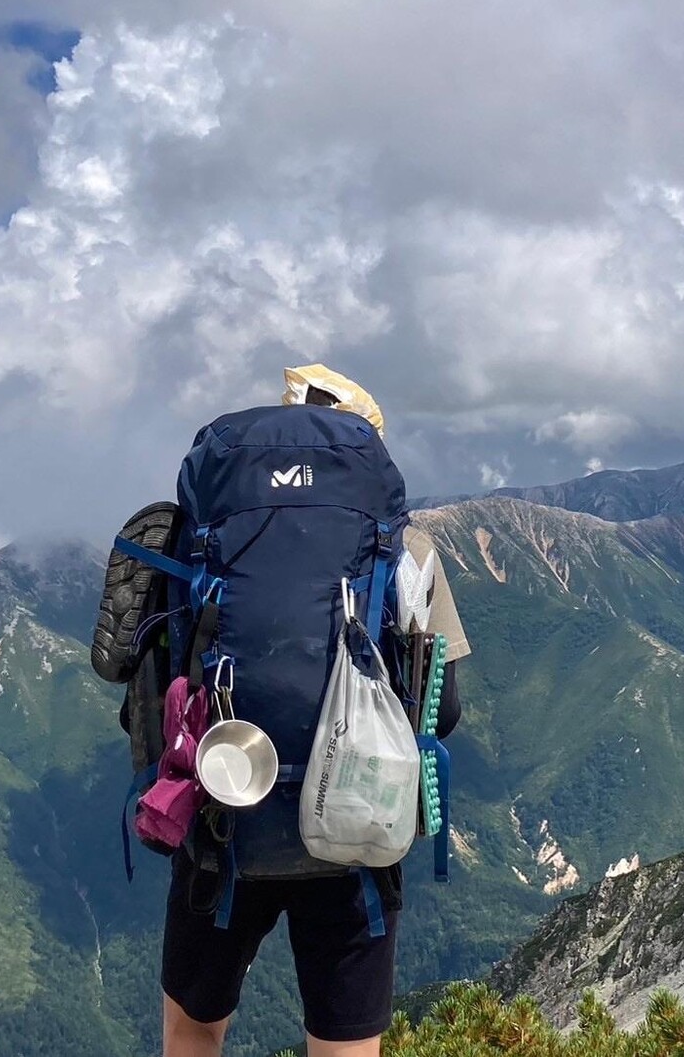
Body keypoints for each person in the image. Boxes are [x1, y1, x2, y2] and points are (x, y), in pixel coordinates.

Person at [159, 366, 471, 1057]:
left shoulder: (198, 536)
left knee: (192, 1029)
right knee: (344, 1045)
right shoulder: (402, 547)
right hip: (358, 835)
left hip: (224, 819)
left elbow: (150, 687)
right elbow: (440, 710)